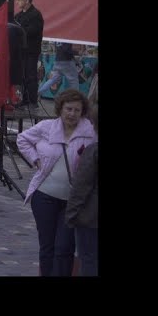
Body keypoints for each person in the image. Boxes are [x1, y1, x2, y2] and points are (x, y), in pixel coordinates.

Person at [17, 89, 96, 276]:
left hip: (73, 201)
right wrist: (34, 159)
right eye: (68, 109)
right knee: (47, 247)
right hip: (44, 196)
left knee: (64, 248)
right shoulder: (46, 127)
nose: (72, 114)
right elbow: (22, 139)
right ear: (60, 109)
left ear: (83, 112)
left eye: (77, 110)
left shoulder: (90, 131)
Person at [65, 100, 98, 277]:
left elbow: (81, 186)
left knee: (89, 259)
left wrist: (71, 214)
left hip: (91, 218)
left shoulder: (93, 151)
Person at [13, 0, 44, 107]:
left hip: (31, 51)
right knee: (22, 76)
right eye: (16, 0)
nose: (17, 3)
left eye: (19, 0)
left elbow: (30, 32)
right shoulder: (19, 16)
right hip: (20, 52)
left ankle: (32, 101)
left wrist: (19, 30)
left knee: (31, 75)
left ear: (27, 0)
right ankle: (23, 100)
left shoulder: (36, 15)